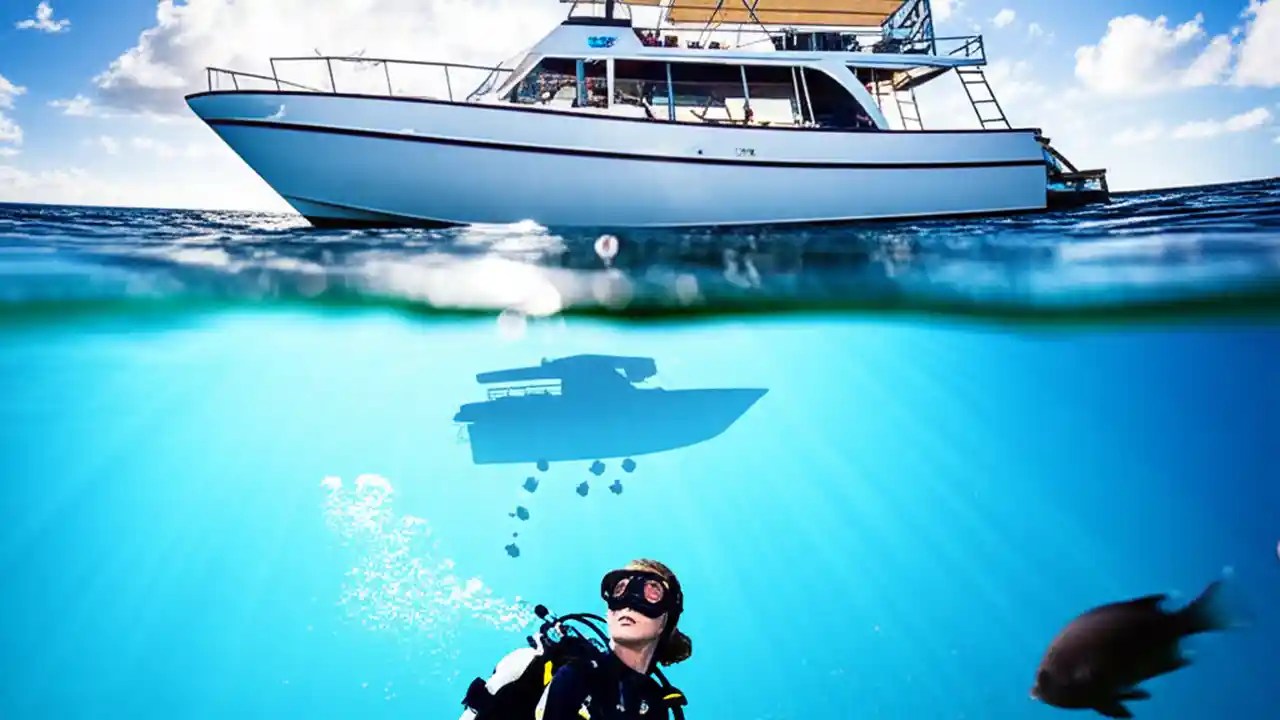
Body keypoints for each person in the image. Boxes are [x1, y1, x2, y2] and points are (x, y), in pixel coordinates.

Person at [536, 558, 692, 720]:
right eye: (620, 589)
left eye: (652, 592)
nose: (629, 604)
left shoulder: (655, 707)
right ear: (609, 614)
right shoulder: (573, 671)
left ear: (666, 621)